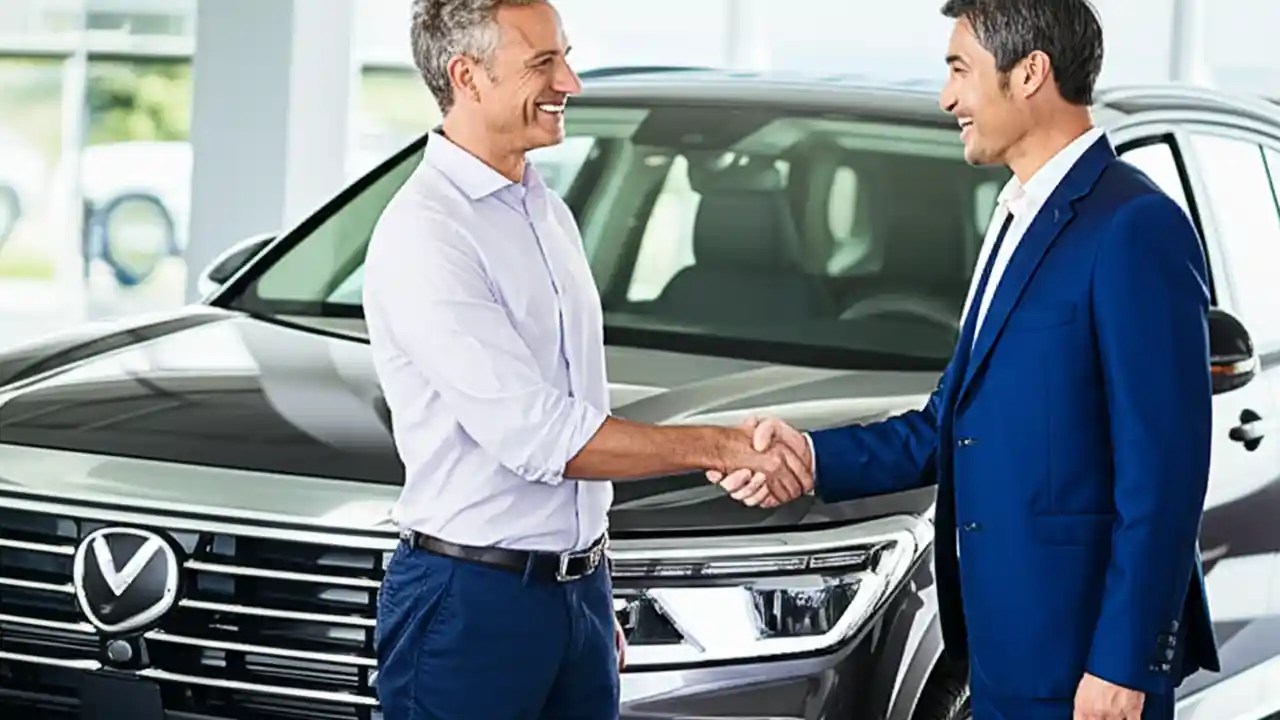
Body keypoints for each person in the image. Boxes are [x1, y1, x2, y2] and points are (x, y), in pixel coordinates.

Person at [710, 1, 1219, 718]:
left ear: (1030, 73)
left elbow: (1163, 474)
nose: (948, 96)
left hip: (1084, 670)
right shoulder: (1015, 215)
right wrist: (809, 456)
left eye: (960, 70)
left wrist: (1124, 663)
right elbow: (950, 424)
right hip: (1003, 652)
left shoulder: (1134, 225)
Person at [362, 1, 809, 718]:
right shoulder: (428, 234)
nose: (570, 81)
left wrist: (588, 595)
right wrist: (723, 446)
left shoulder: (545, 209)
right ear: (466, 77)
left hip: (575, 599)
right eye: (542, 63)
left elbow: (581, 409)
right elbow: (536, 433)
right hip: (471, 604)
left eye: (564, 56)